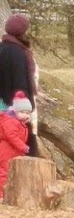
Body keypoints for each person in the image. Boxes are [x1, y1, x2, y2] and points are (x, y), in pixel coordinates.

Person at [0, 14, 39, 156]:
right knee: (21, 146)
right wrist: (25, 110)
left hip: (3, 105)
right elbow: (20, 83)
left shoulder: (2, 48)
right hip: (16, 107)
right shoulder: (18, 53)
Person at [0, 92, 31, 195]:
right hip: (7, 151)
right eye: (22, 112)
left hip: (15, 152)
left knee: (13, 172)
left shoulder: (19, 122)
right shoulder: (10, 121)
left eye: (27, 113)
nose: (25, 115)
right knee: (4, 172)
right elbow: (12, 136)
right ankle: (2, 194)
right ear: (15, 111)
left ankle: (10, 193)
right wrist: (23, 147)